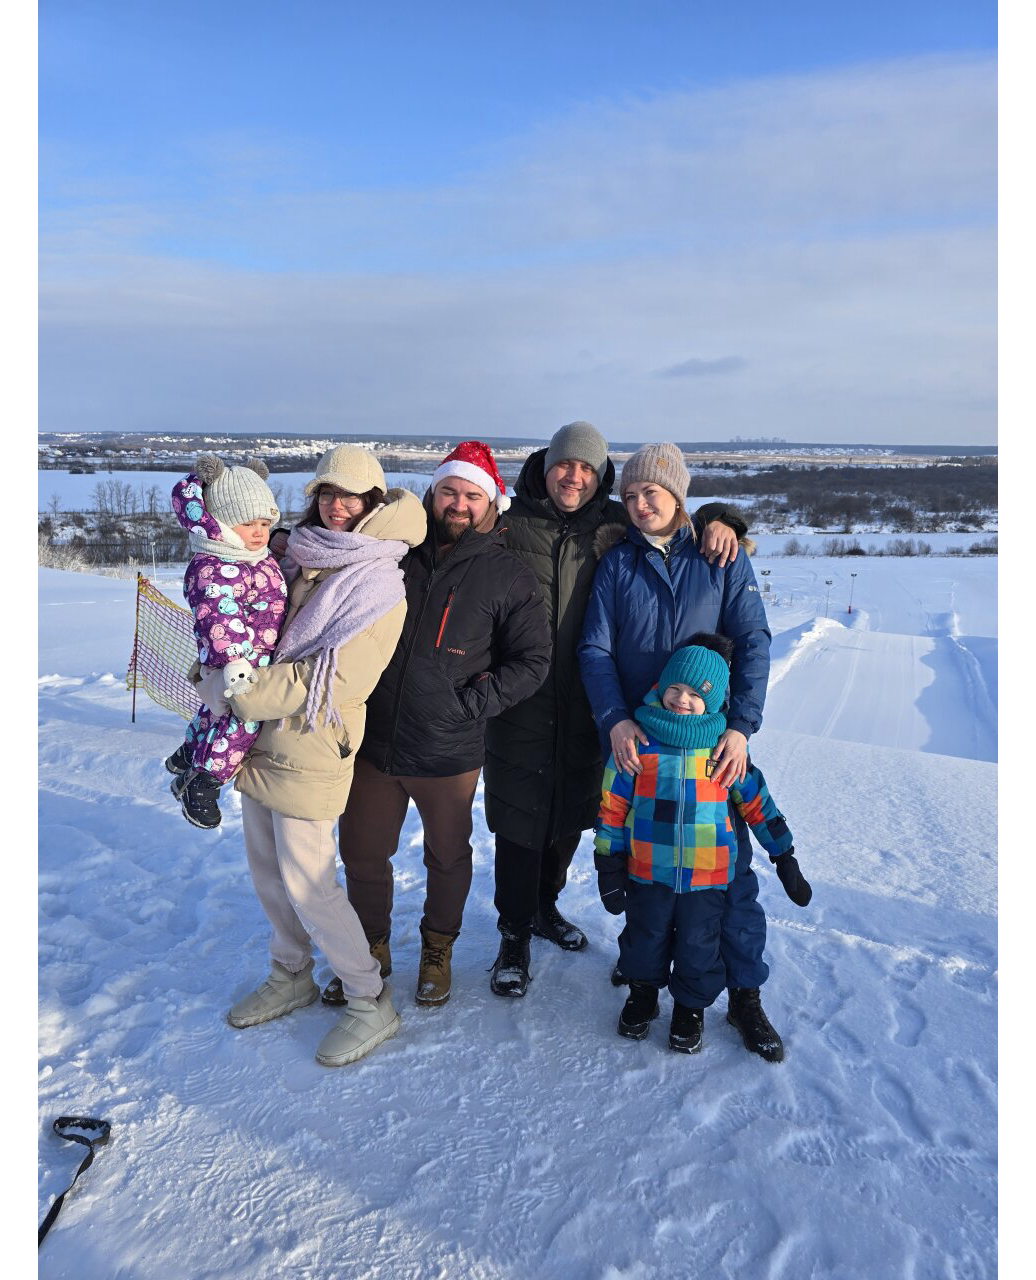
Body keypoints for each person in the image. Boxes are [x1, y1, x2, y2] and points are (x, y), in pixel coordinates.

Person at [482, 422, 745, 997]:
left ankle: (546, 908)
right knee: (520, 821)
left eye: (587, 468)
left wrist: (723, 516)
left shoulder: (613, 525)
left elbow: (676, 519)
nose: (573, 477)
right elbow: (445, 528)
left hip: (592, 707)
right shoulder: (508, 525)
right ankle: (513, 934)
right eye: (564, 464)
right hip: (525, 700)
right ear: (546, 465)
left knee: (574, 818)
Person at [214, 445, 427, 1067]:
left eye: (351, 496)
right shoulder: (300, 556)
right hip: (259, 740)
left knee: (311, 884)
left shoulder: (379, 583)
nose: (337, 505)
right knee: (266, 871)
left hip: (310, 739)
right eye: (328, 493)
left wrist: (240, 692)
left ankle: (369, 997)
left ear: (373, 504)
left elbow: (335, 681)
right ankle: (291, 973)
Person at [579, 441, 788, 1061]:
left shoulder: (719, 554)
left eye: (653, 492)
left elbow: (753, 640)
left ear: (677, 495)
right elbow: (595, 649)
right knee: (649, 883)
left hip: (710, 748)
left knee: (730, 889)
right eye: (631, 495)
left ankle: (745, 996)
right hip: (643, 744)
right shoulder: (618, 564)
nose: (640, 504)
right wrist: (614, 719)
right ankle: (644, 979)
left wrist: (741, 727)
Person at [324, 440, 552, 1009]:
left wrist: (469, 705)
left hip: (449, 748)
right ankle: (368, 951)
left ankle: (437, 949)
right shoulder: (393, 552)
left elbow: (532, 661)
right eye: (449, 491)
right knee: (362, 854)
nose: (459, 504)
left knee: (447, 856)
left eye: (472, 495)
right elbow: (329, 550)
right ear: (433, 493)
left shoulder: (507, 574)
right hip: (375, 739)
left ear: (491, 503)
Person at [594, 636, 811, 1053]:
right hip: (648, 870)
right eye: (675, 688)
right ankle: (642, 994)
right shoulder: (639, 743)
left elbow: (757, 802)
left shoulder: (722, 749)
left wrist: (784, 854)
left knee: (699, 948)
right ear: (661, 686)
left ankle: (689, 1008)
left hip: (707, 877)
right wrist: (608, 860)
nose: (682, 699)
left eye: (696, 695)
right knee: (644, 938)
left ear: (712, 703)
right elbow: (613, 806)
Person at [167, 455, 286, 829]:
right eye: (247, 523)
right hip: (237, 663)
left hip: (253, 659)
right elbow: (217, 615)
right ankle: (204, 783)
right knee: (243, 723)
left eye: (264, 523)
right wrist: (234, 660)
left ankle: (189, 754)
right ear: (221, 523)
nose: (259, 532)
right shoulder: (214, 565)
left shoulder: (254, 556)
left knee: (217, 713)